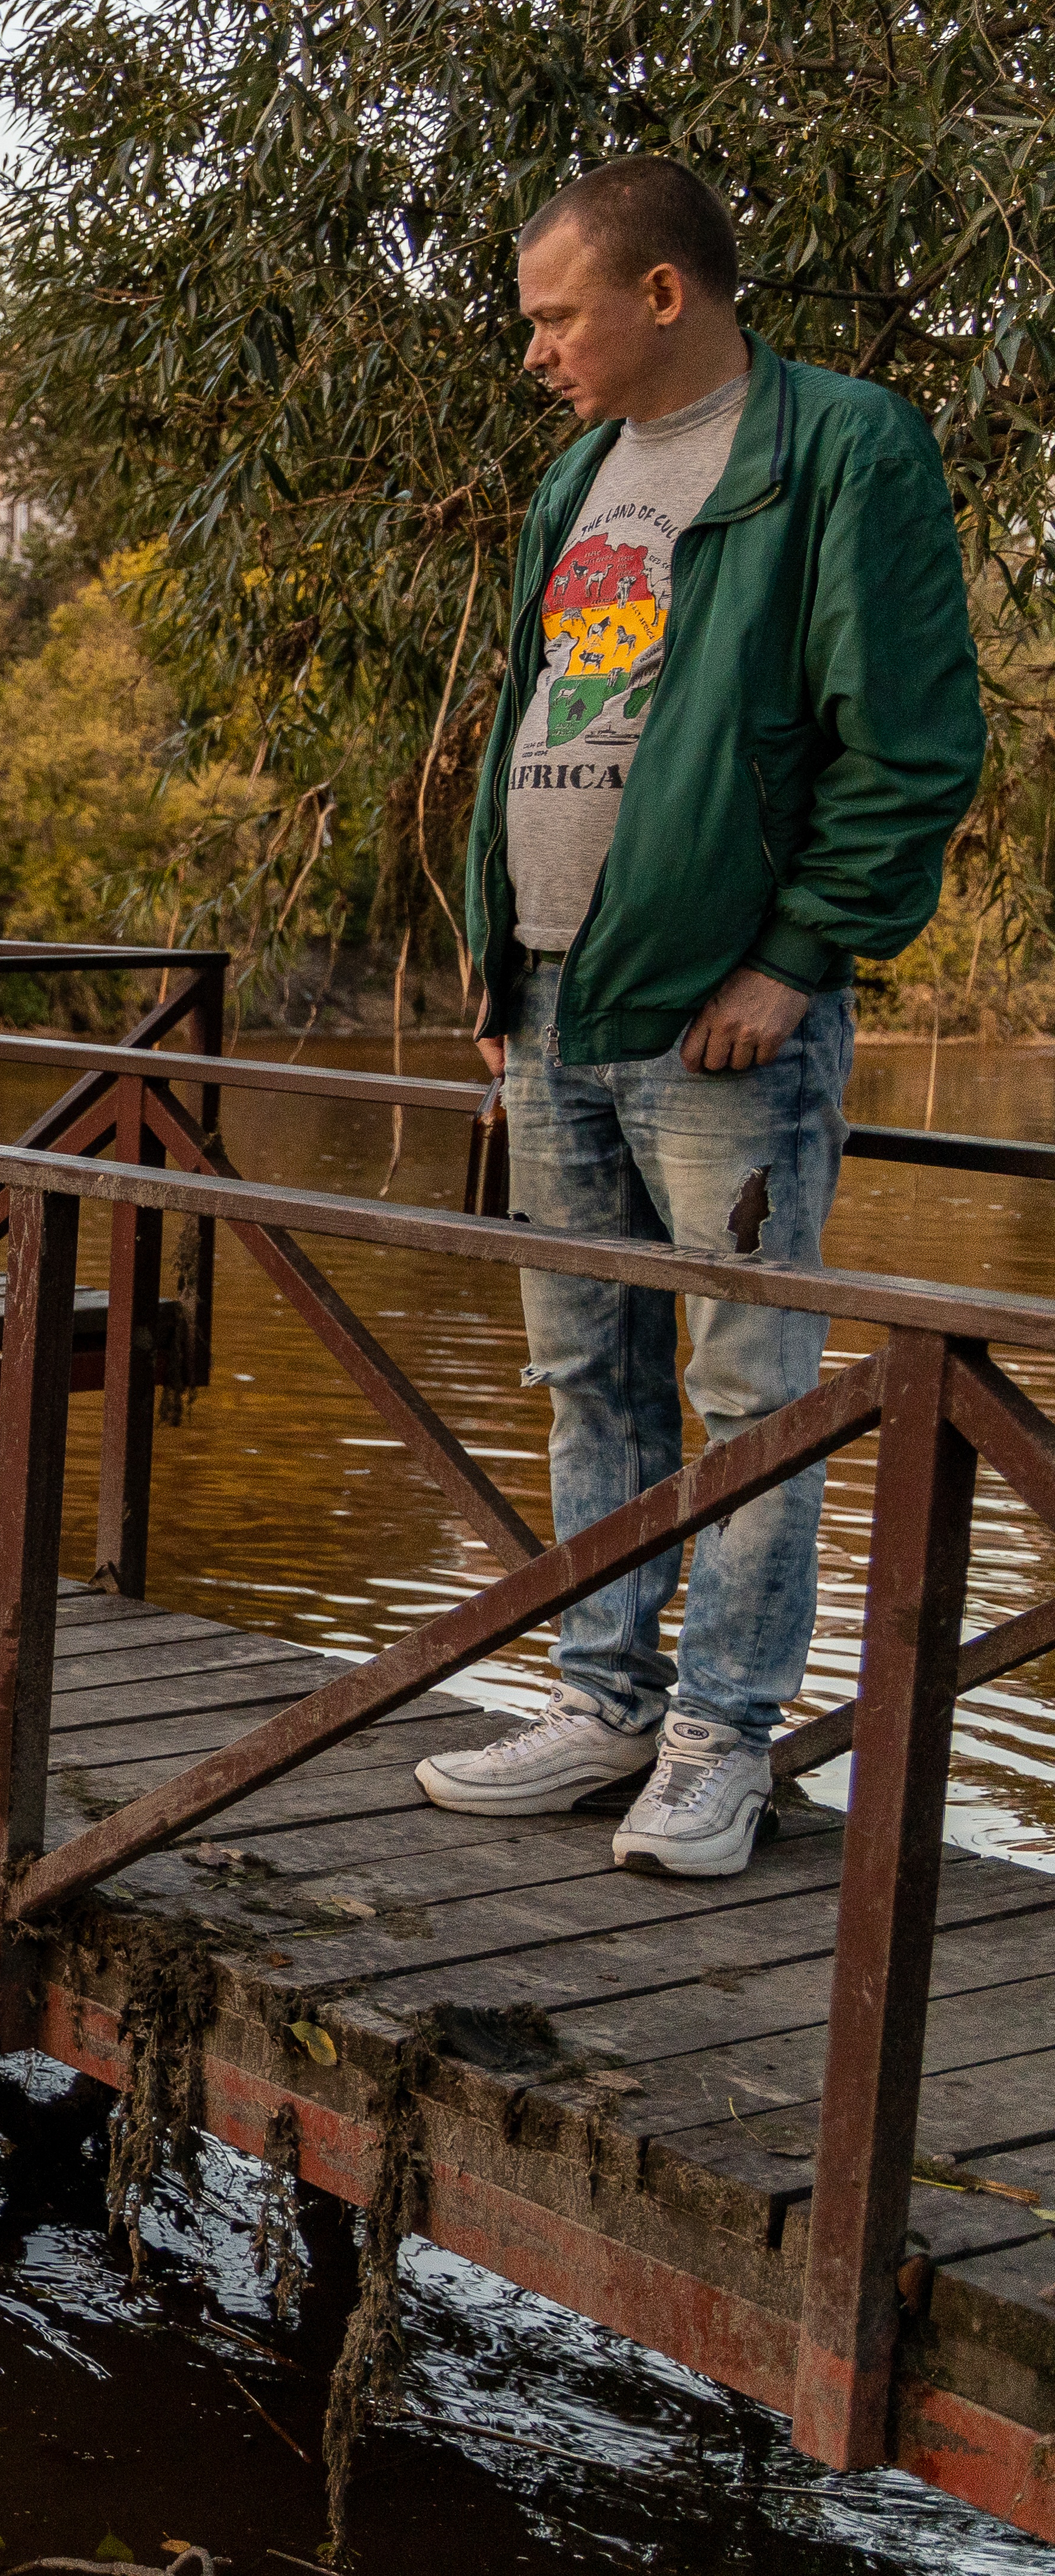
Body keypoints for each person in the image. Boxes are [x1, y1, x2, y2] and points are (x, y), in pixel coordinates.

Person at [413, 155, 981, 1877]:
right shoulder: (576, 477)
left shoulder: (842, 448)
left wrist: (795, 957)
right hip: (553, 999)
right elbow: (534, 717)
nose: (536, 351)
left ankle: (727, 1742)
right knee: (587, 1371)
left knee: (752, 1389)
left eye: (556, 316)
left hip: (721, 1015)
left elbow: (908, 744)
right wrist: (500, 960)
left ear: (663, 294)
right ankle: (606, 1700)